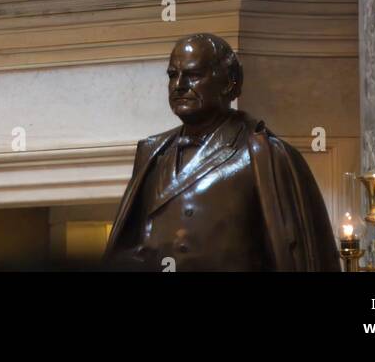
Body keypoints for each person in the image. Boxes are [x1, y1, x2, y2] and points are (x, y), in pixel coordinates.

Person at [104, 33, 341, 271]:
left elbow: (302, 254)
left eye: (193, 75)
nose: (179, 86)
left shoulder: (265, 156)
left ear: (230, 82)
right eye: (173, 75)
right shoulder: (153, 155)